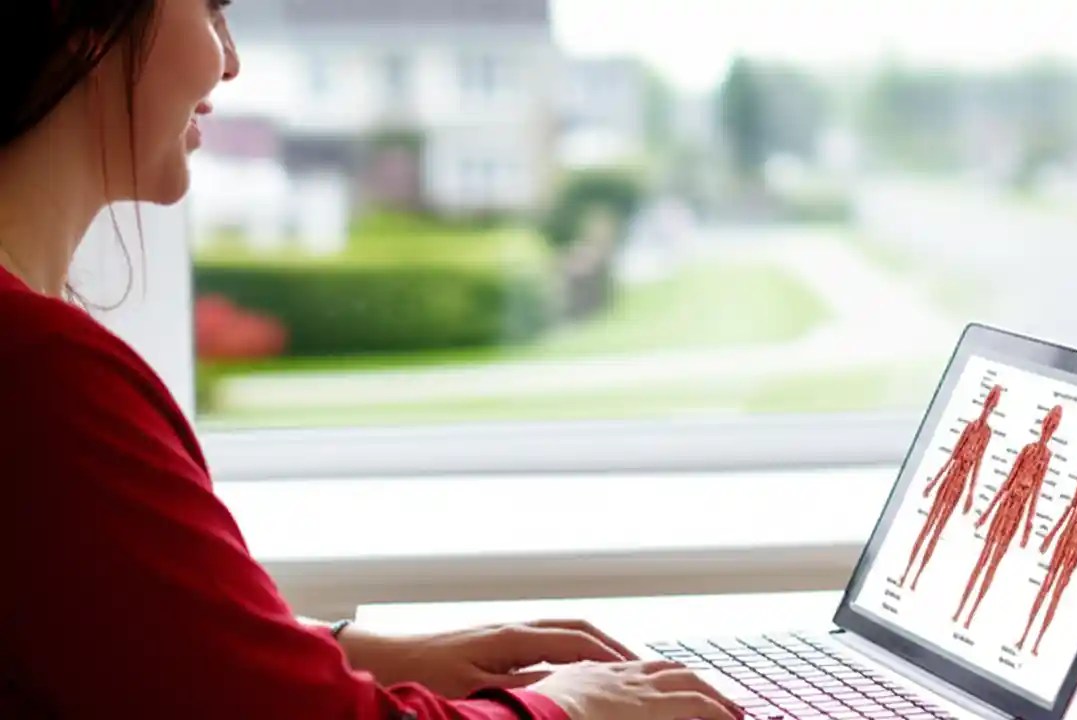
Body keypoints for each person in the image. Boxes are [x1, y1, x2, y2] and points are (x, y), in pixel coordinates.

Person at [0, 3, 743, 719]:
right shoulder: (42, 373)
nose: (231, 62)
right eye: (211, 10)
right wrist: (565, 706)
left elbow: (115, 642)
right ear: (86, 22)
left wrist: (349, 654)